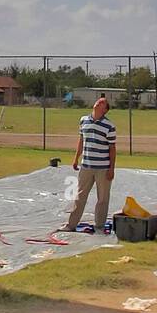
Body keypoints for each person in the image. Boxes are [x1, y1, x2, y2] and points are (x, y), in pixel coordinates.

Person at [62, 96, 116, 231]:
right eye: (99, 100)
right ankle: (71, 225)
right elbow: (81, 141)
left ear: (105, 110)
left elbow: (112, 148)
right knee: (80, 196)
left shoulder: (109, 126)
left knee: (102, 198)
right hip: (86, 166)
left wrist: (111, 169)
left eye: (102, 102)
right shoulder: (83, 120)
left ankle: (99, 226)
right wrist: (76, 159)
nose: (98, 102)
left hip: (102, 168)